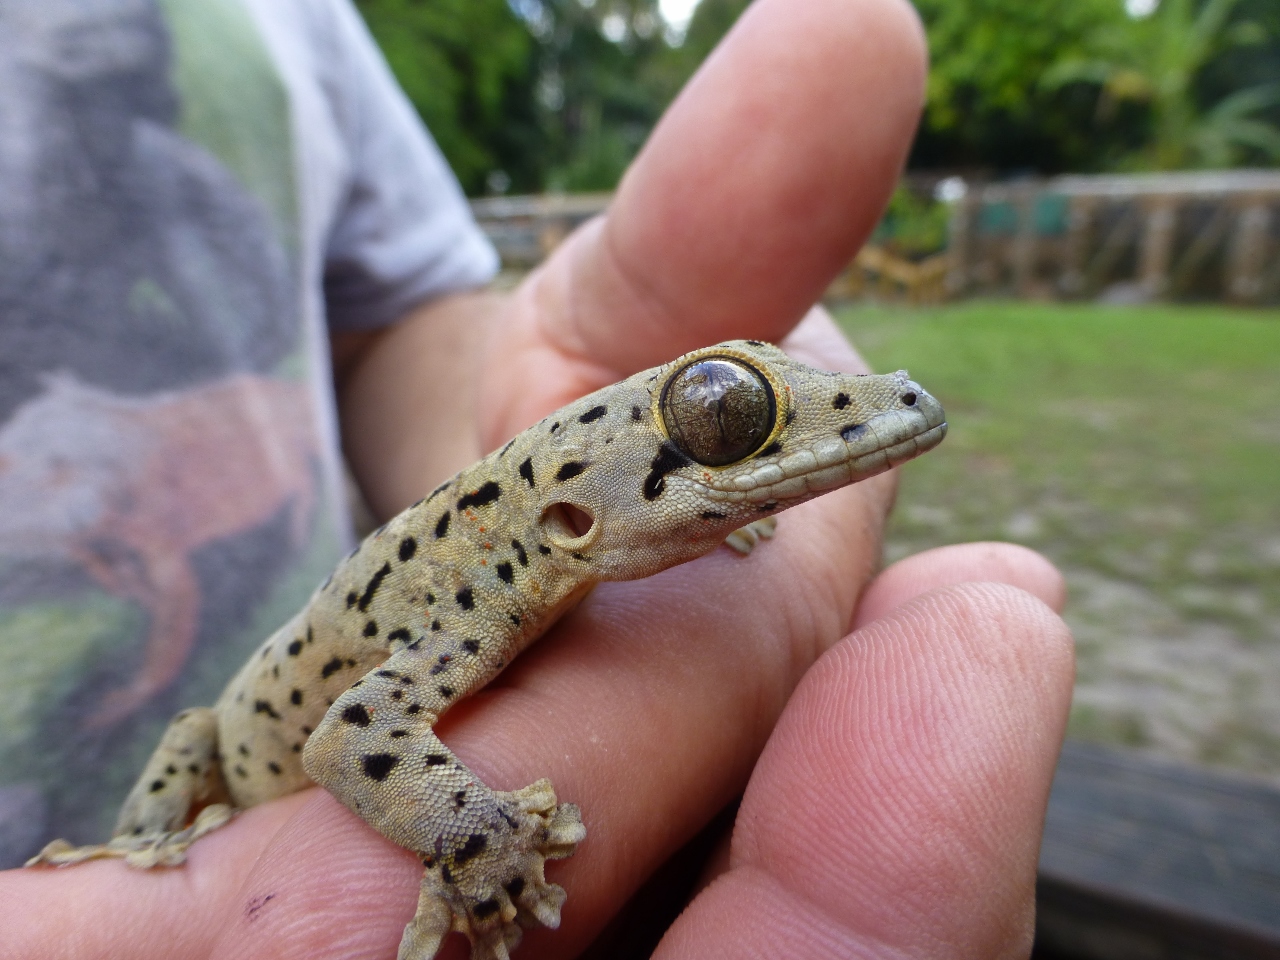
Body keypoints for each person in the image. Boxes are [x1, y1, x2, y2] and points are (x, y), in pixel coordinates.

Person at [0, 0, 1074, 957]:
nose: (750, 448)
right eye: (722, 423)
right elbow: (351, 738)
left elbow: (390, 322)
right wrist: (476, 838)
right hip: (230, 770)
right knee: (189, 745)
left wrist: (726, 503)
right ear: (566, 513)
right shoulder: (472, 608)